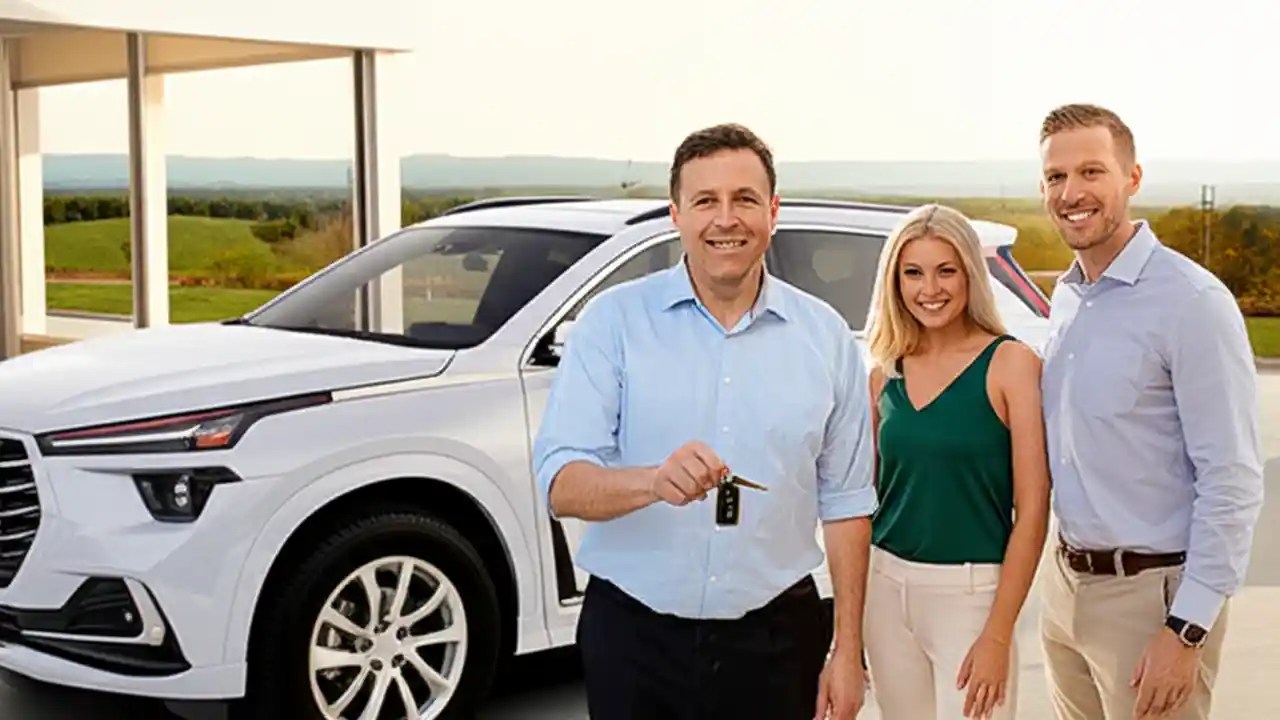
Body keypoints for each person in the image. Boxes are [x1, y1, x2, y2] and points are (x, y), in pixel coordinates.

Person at [532, 122, 878, 720]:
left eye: (744, 199)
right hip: (635, 640)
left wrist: (849, 650)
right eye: (705, 201)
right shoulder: (612, 324)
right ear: (676, 215)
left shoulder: (827, 338)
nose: (726, 219)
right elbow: (561, 484)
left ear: (773, 212)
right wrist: (651, 482)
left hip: (779, 638)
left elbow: (847, 503)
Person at [1035, 103, 1265, 719]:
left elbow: (1232, 479)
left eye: (1091, 172)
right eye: (1056, 177)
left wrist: (1187, 628)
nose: (1071, 193)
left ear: (1132, 177)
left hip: (1152, 603)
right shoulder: (1068, 296)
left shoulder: (1191, 302)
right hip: (1066, 590)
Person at [860, 203, 1051, 719]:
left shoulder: (1011, 364)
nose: (930, 289)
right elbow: (863, 504)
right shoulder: (885, 373)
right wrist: (848, 628)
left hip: (972, 597)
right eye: (913, 273)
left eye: (946, 271)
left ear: (970, 274)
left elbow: (1033, 510)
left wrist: (998, 633)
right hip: (885, 592)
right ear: (895, 281)